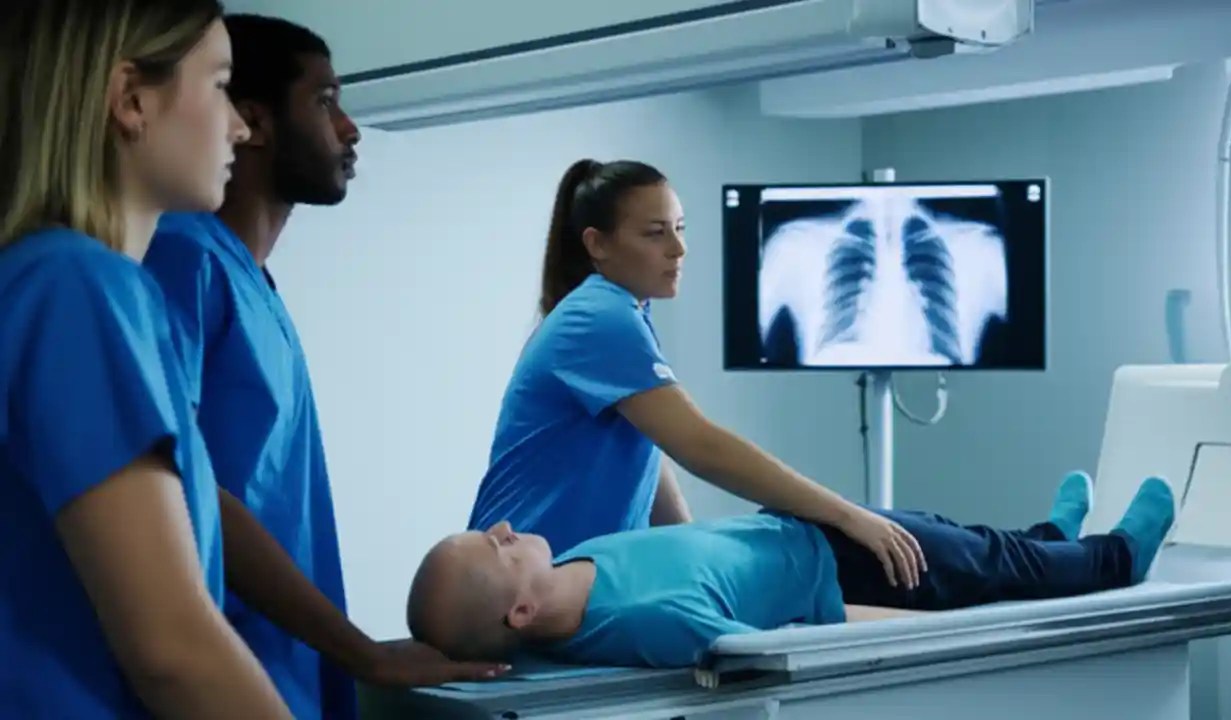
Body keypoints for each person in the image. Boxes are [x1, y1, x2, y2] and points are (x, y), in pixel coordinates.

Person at [140, 13, 504, 720]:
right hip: (223, 681)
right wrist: (362, 653)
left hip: (288, 674)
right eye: (325, 101)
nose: (349, 129)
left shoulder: (247, 279)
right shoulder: (181, 258)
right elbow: (187, 488)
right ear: (254, 121)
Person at [0, 1, 296, 718]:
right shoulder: (76, 286)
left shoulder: (44, 282)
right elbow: (173, 648)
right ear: (131, 99)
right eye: (220, 86)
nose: (240, 126)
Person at [468, 158, 927, 589]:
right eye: (655, 234)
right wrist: (847, 516)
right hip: (521, 589)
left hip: (565, 581)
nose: (679, 248)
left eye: (680, 228)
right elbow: (701, 445)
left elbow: (653, 452)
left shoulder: (619, 310)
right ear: (597, 244)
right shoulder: (599, 317)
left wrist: (695, 556)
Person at [414, 473, 1176, 669]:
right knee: (982, 568)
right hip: (842, 578)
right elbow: (793, 641)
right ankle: (1115, 558)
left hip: (802, 530)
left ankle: (1050, 538)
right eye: (494, 548)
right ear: (518, 613)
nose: (503, 529)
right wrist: (941, 627)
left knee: (963, 540)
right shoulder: (651, 621)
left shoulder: (564, 587)